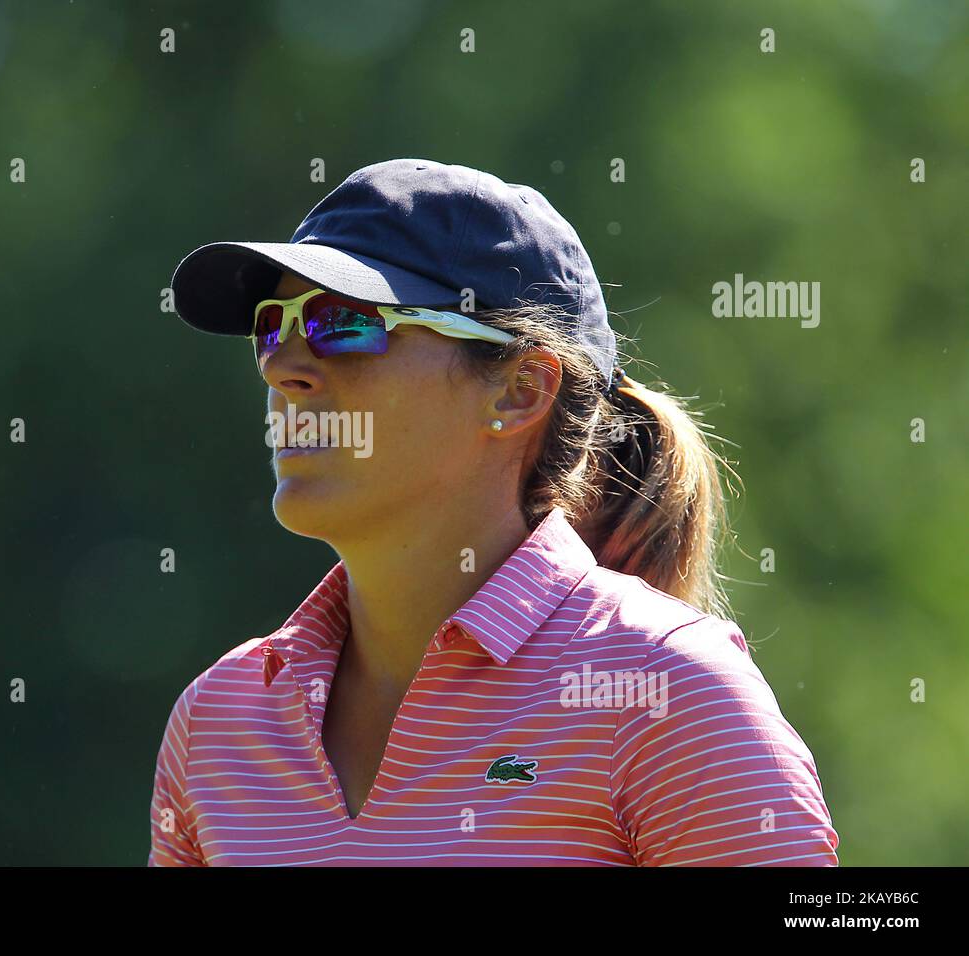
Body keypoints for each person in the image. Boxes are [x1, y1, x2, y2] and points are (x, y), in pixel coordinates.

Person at [147, 158, 840, 865]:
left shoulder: (668, 689)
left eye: (344, 323)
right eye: (273, 326)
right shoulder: (218, 719)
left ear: (517, 391)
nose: (281, 366)